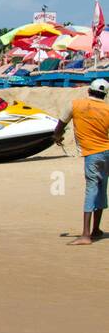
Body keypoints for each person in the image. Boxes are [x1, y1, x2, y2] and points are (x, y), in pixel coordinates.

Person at [54, 78, 109, 245]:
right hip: (107, 152)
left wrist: (57, 137)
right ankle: (96, 229)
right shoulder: (107, 108)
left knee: (91, 189)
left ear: (89, 91)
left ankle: (85, 235)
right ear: (105, 95)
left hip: (92, 154)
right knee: (101, 189)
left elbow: (60, 125)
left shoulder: (75, 105)